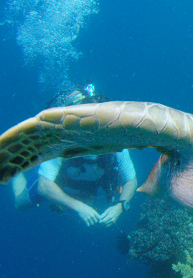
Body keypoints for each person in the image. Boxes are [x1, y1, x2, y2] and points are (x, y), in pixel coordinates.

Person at [10, 84, 137, 227]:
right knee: (20, 204)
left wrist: (120, 206)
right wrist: (79, 207)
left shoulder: (116, 142)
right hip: (58, 183)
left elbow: (130, 180)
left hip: (86, 186)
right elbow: (44, 186)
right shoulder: (61, 142)